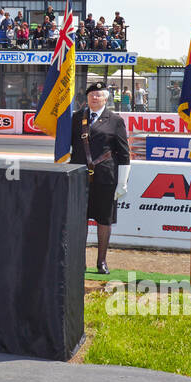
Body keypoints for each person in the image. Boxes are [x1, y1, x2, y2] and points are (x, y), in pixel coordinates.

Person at [69, 83, 131, 274]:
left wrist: (122, 182)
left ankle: (101, 261)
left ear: (106, 98)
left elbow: (124, 153)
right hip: (79, 176)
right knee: (80, 219)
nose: (94, 98)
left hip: (105, 177)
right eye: (91, 95)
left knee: (104, 220)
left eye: (98, 95)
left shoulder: (115, 120)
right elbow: (68, 146)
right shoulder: (77, 117)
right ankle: (79, 261)